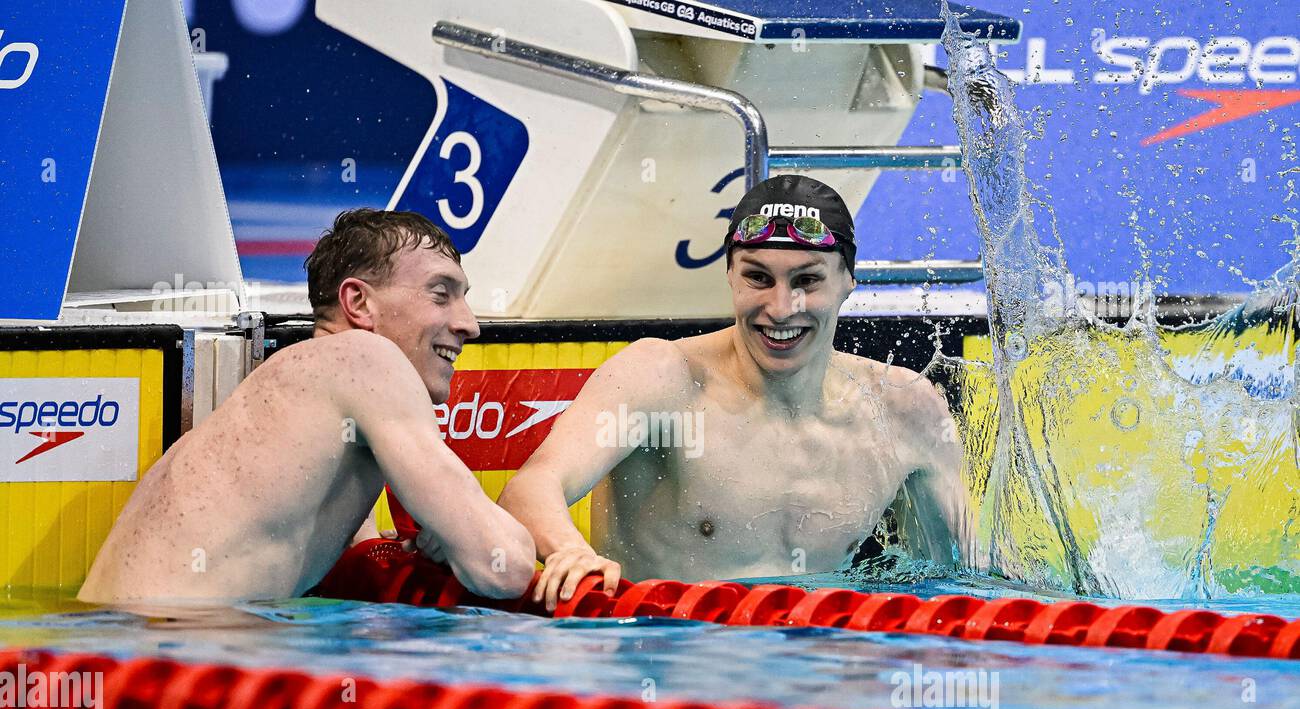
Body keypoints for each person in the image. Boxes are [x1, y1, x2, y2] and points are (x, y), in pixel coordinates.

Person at [498, 175, 977, 610]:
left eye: (807, 280)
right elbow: (531, 487)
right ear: (730, 274)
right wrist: (570, 553)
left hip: (813, 679)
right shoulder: (662, 379)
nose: (781, 308)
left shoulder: (901, 409)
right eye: (758, 277)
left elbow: (962, 578)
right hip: (667, 676)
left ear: (848, 282)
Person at [80, 209, 535, 608]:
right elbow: (503, 569)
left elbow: (363, 554)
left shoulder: (299, 390)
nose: (469, 324)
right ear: (358, 302)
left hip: (118, 656)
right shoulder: (366, 360)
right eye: (441, 294)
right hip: (177, 661)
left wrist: (441, 540)